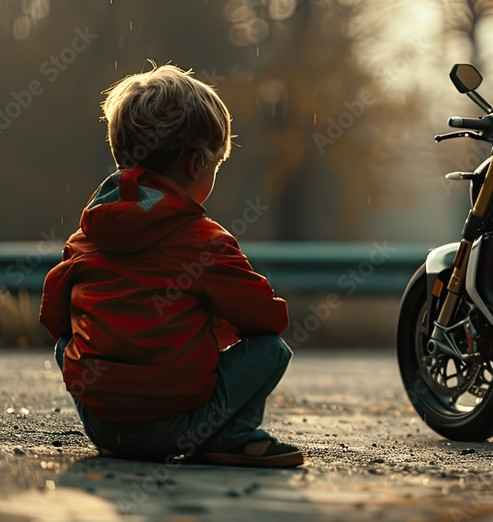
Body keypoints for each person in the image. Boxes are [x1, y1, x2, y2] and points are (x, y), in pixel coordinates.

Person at [39, 63, 302, 468]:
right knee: (271, 350)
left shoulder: (85, 237)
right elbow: (268, 320)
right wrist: (215, 330)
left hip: (101, 422)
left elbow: (55, 319)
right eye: (215, 166)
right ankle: (231, 437)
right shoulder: (204, 241)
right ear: (197, 164)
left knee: (66, 342)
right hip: (178, 424)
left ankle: (122, 437)